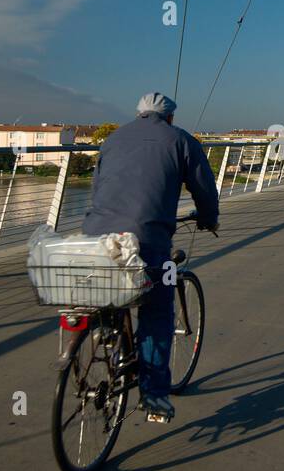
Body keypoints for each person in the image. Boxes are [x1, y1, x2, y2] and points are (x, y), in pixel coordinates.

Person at [81, 92, 219, 422]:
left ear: (139, 114)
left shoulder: (113, 138)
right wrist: (209, 217)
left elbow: (98, 186)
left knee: (106, 289)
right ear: (169, 117)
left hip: (97, 235)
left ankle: (102, 325)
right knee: (157, 310)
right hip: (146, 237)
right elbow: (203, 186)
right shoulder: (181, 140)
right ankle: (155, 396)